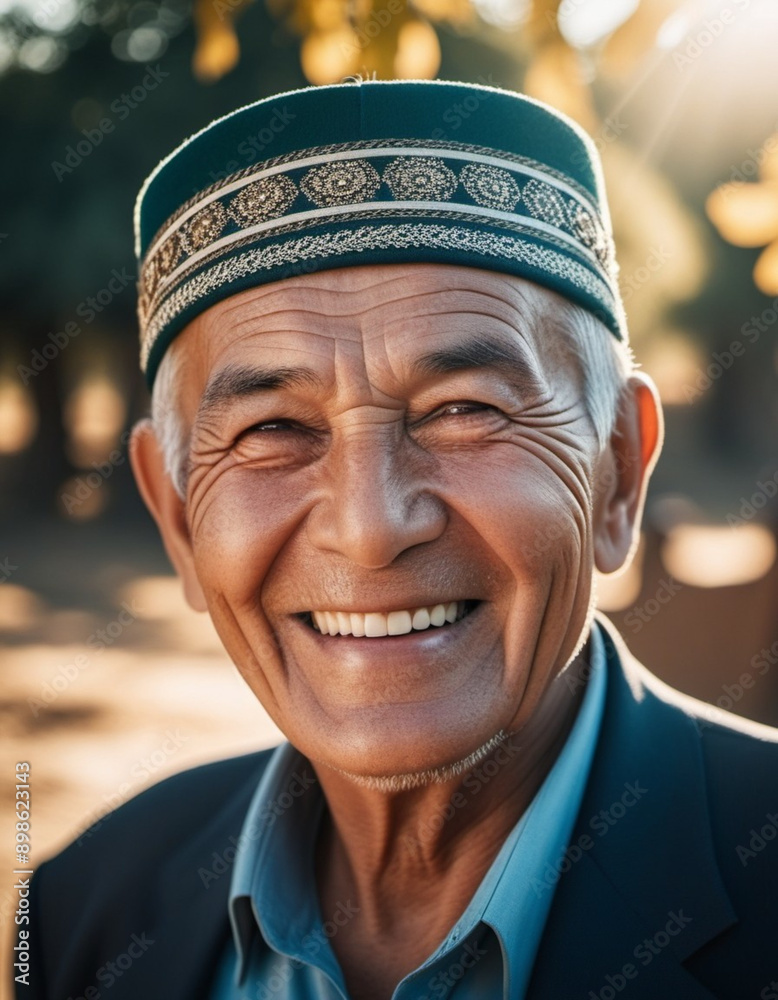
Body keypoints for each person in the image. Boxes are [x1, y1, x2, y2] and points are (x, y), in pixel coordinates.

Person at [17, 79, 778, 1000]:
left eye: (464, 410)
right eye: (271, 430)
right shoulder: (81, 912)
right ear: (177, 515)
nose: (371, 528)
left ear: (618, 470)